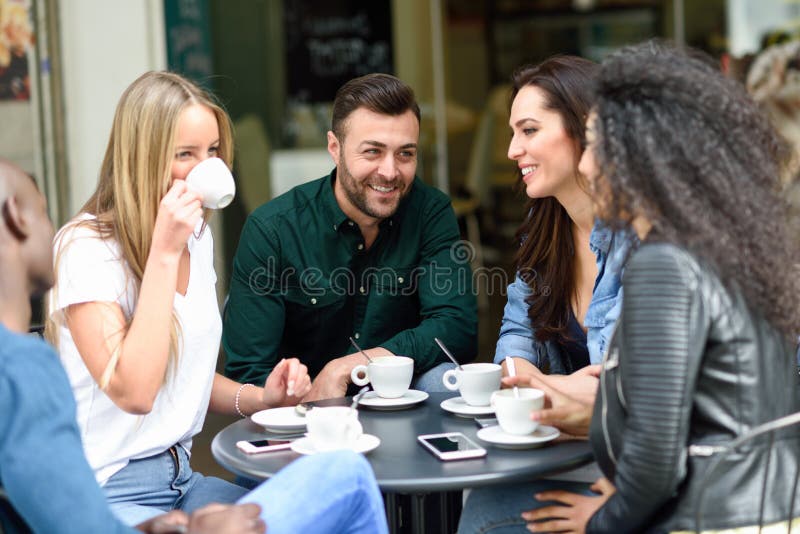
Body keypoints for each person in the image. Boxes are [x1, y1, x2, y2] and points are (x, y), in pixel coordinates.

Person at [42, 71, 386, 532]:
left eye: (213, 151)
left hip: (182, 481)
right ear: (142, 158)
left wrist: (263, 398)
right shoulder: (87, 248)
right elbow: (137, 391)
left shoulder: (197, 237)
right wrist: (164, 253)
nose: (206, 168)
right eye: (185, 154)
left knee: (347, 479)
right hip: (106, 495)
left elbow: (182, 377)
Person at [511, 41, 800, 533]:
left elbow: (655, 460)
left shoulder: (663, 263)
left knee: (495, 516)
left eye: (595, 145)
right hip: (769, 509)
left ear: (639, 154)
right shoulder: (727, 246)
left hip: (713, 519)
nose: (586, 165)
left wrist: (600, 522)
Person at [458, 56, 633, 534]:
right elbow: (515, 334)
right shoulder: (548, 224)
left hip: (630, 458)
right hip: (575, 440)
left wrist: (539, 388)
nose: (512, 150)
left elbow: (621, 389)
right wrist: (529, 378)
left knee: (485, 507)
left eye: (529, 130)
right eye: (513, 132)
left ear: (585, 130)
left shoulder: (641, 235)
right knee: (480, 480)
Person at [222, 73, 477, 400]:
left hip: (398, 398)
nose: (390, 172)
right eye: (372, 152)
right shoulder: (273, 229)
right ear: (335, 147)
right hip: (306, 408)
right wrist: (296, 401)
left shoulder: (430, 212)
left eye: (405, 154)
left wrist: (354, 364)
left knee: (443, 380)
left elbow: (456, 328)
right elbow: (249, 374)